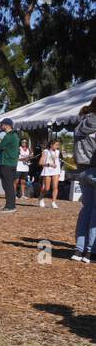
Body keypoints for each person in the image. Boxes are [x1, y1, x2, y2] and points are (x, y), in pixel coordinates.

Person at [71, 102, 96, 262]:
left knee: (87, 209)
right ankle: (91, 251)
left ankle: (79, 250)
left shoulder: (81, 122)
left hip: (82, 169)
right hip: (94, 167)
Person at [0, 118, 20, 212]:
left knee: (7, 185)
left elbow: (0, 146)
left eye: (1, 124)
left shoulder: (9, 136)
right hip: (12, 163)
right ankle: (11, 205)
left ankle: (10, 206)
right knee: (9, 184)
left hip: (7, 163)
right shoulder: (14, 135)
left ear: (6, 125)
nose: (0, 126)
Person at [38, 138, 63, 208]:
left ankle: (53, 202)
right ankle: (41, 197)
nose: (57, 147)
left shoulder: (58, 152)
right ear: (51, 145)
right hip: (47, 170)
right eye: (56, 145)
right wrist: (49, 164)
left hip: (56, 171)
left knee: (55, 187)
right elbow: (40, 163)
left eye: (58, 145)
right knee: (47, 188)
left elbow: (58, 161)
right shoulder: (46, 151)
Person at [15, 134, 33, 200]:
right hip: (18, 167)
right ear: (20, 142)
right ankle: (14, 195)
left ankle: (23, 195)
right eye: (23, 142)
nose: (24, 143)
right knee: (16, 181)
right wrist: (22, 159)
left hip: (25, 168)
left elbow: (31, 157)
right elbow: (15, 158)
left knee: (23, 182)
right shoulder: (18, 149)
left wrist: (29, 158)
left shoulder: (28, 149)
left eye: (25, 142)